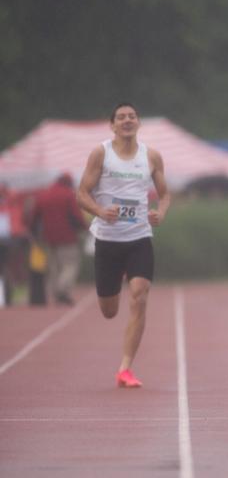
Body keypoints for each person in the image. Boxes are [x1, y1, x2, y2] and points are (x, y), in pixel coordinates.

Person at [77, 102, 171, 388]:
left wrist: (160, 213)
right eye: (121, 117)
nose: (127, 120)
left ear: (138, 123)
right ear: (113, 125)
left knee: (140, 295)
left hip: (139, 237)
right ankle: (112, 283)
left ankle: (125, 368)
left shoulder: (151, 156)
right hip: (108, 239)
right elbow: (82, 192)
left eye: (132, 116)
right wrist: (99, 210)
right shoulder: (101, 153)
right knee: (109, 310)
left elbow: (165, 195)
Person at [31, 173, 88, 305]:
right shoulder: (68, 195)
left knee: (54, 267)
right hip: (67, 237)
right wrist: (85, 227)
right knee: (70, 265)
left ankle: (56, 293)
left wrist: (34, 233)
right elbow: (76, 215)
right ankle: (63, 289)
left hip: (48, 237)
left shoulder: (43, 195)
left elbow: (34, 217)